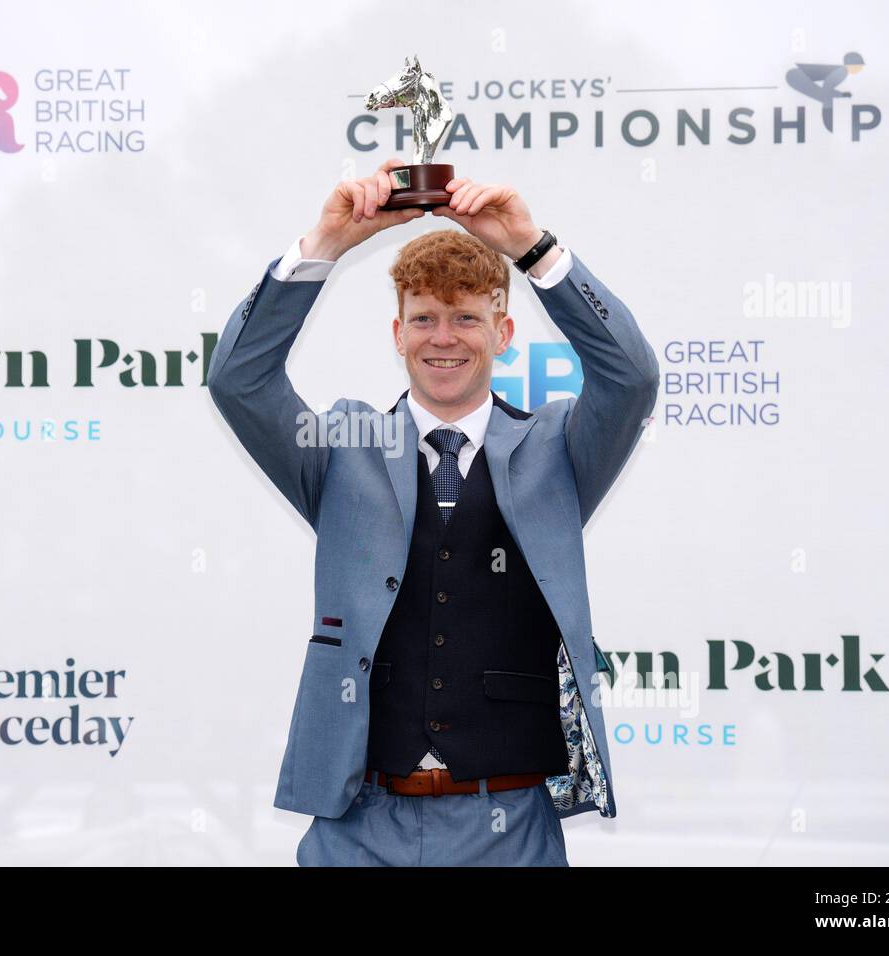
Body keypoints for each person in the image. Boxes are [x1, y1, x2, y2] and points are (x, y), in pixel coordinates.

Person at [208, 158, 660, 865]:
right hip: (358, 825)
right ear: (397, 334)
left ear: (504, 333)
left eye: (464, 318)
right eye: (423, 318)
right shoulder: (343, 447)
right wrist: (324, 244)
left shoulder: (558, 451)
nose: (442, 338)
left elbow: (631, 377)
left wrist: (531, 248)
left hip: (508, 827)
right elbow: (238, 380)